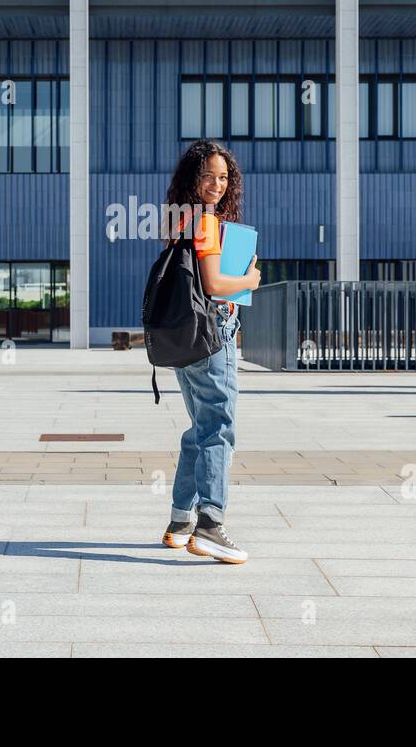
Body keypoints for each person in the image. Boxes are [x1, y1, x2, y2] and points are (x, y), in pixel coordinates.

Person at [159, 140, 261, 564]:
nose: (217, 184)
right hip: (212, 332)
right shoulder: (205, 223)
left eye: (223, 177)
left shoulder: (177, 221)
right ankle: (210, 524)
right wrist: (251, 279)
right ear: (193, 178)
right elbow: (215, 285)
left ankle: (181, 521)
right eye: (209, 176)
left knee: (200, 428)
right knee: (219, 426)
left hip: (182, 336)